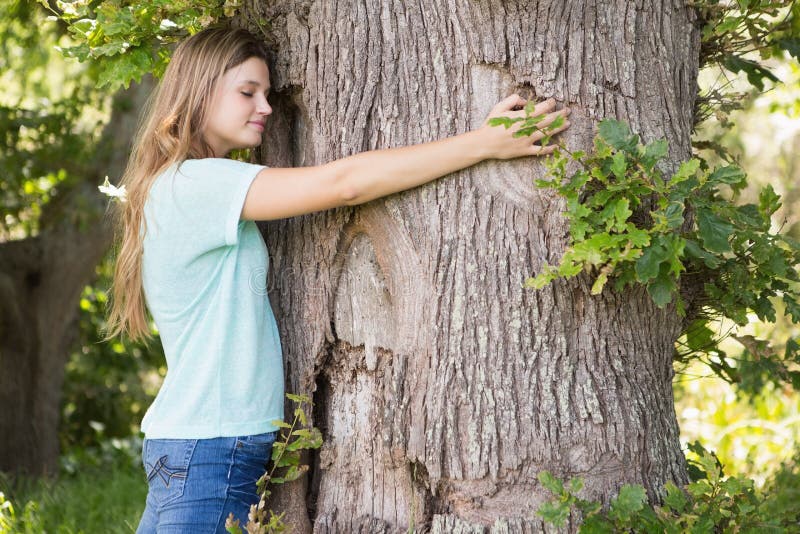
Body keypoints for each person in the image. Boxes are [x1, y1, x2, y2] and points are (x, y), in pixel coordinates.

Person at [105, 26, 570, 534]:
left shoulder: (184, 184)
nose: (264, 107)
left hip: (198, 448)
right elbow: (344, 185)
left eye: (266, 94)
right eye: (247, 92)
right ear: (199, 91)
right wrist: (483, 143)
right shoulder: (196, 184)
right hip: (211, 451)